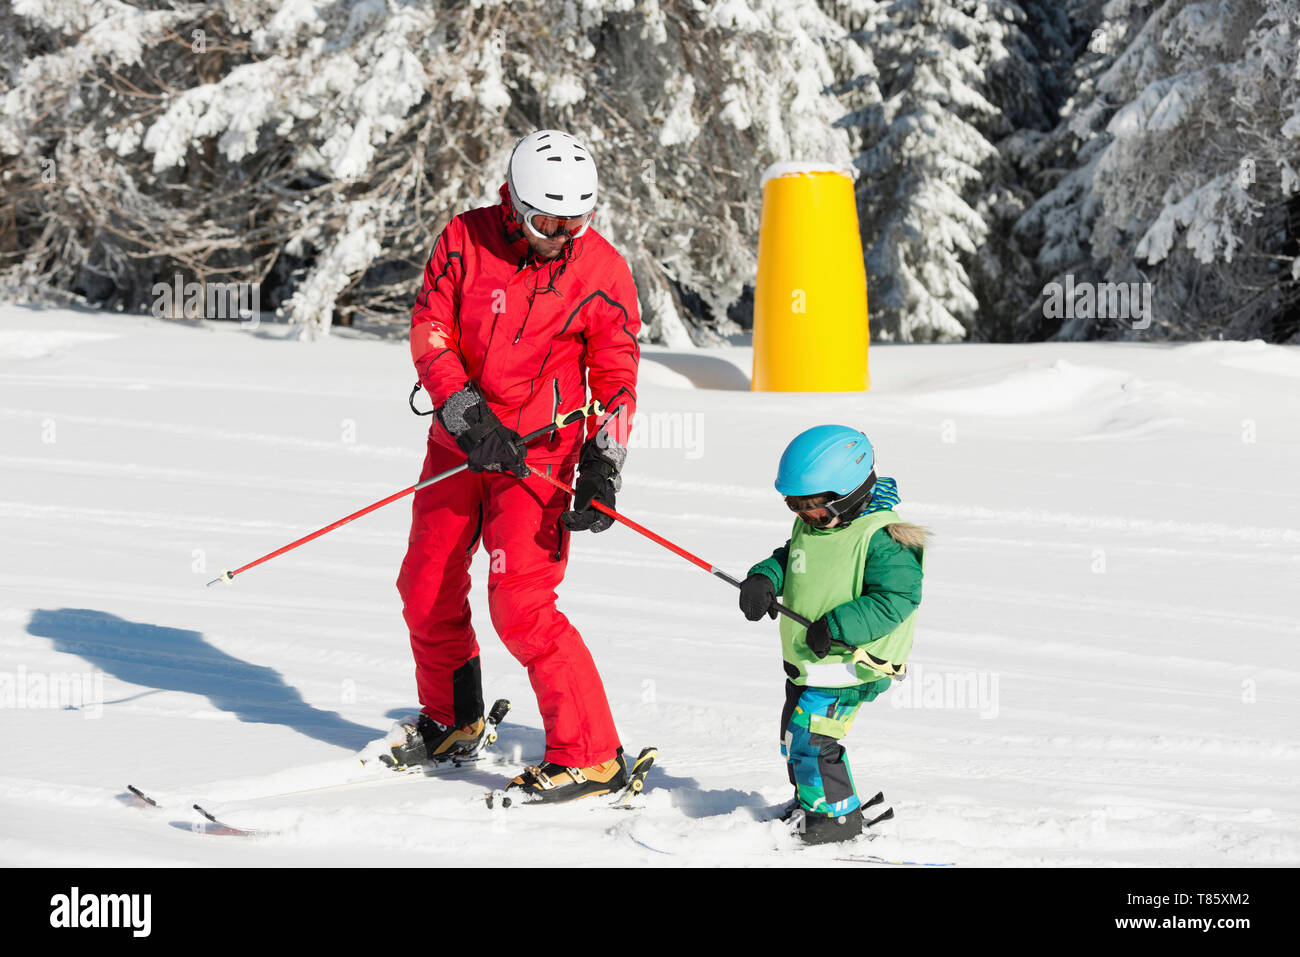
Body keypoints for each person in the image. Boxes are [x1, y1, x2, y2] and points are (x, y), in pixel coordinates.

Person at [392, 129, 641, 804]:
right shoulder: (464, 239)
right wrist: (467, 413)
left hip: (539, 459)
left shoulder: (601, 271)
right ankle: (451, 718)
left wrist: (603, 463)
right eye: (545, 221)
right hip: (463, 442)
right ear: (513, 202)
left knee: (522, 606)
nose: (560, 234)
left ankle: (590, 755)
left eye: (575, 222)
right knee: (424, 585)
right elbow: (430, 327)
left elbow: (616, 376)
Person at [738, 425, 927, 844]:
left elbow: (896, 598)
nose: (807, 517)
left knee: (812, 740)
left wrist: (839, 625)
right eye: (795, 507)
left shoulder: (885, 540)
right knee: (793, 738)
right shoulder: (817, 527)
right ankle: (813, 800)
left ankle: (834, 822)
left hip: (849, 665)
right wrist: (765, 578)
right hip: (812, 662)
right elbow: (795, 558)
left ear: (851, 495)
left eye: (817, 509)